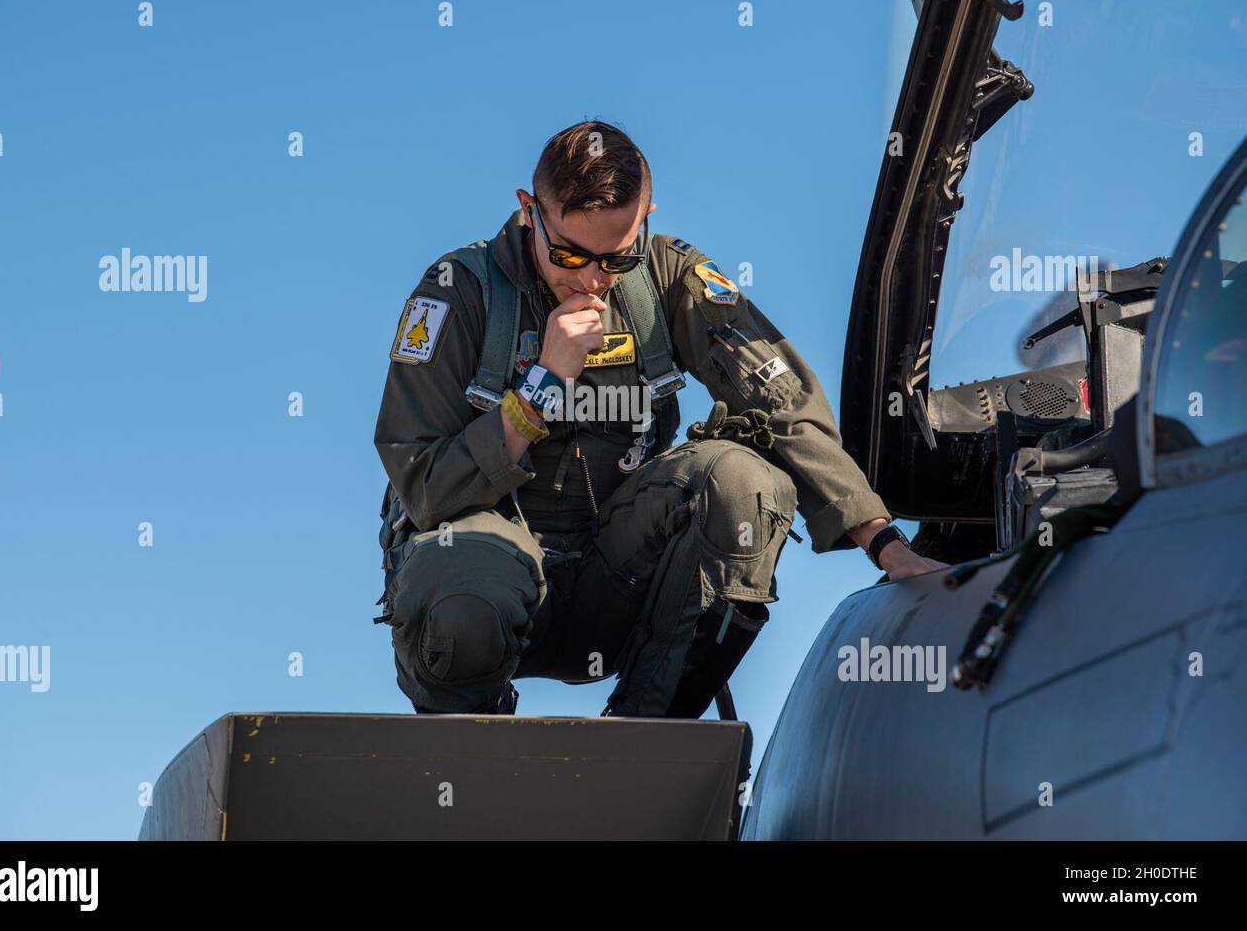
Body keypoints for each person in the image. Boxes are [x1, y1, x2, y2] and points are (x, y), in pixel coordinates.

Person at [374, 120, 946, 717]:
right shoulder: (457, 294)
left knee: (744, 484)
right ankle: (472, 775)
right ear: (528, 210)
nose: (592, 280)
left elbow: (784, 405)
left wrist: (882, 541)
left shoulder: (671, 277)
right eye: (569, 254)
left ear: (646, 214)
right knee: (459, 587)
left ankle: (642, 750)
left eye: (615, 258)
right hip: (479, 585)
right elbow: (424, 488)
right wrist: (540, 385)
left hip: (614, 579)